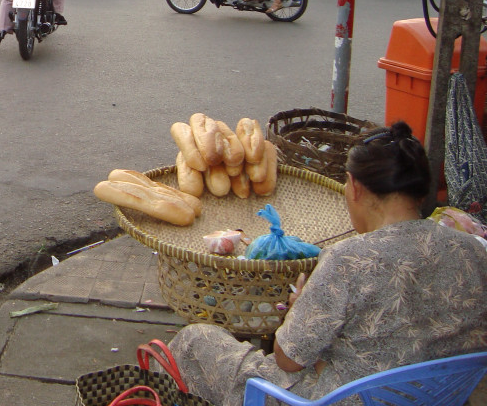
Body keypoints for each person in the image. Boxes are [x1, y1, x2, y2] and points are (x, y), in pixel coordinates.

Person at [164, 122, 487, 406]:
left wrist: (298, 310)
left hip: (336, 399)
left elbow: (288, 360)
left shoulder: (348, 260)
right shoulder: (472, 251)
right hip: (441, 396)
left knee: (197, 340)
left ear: (355, 187)